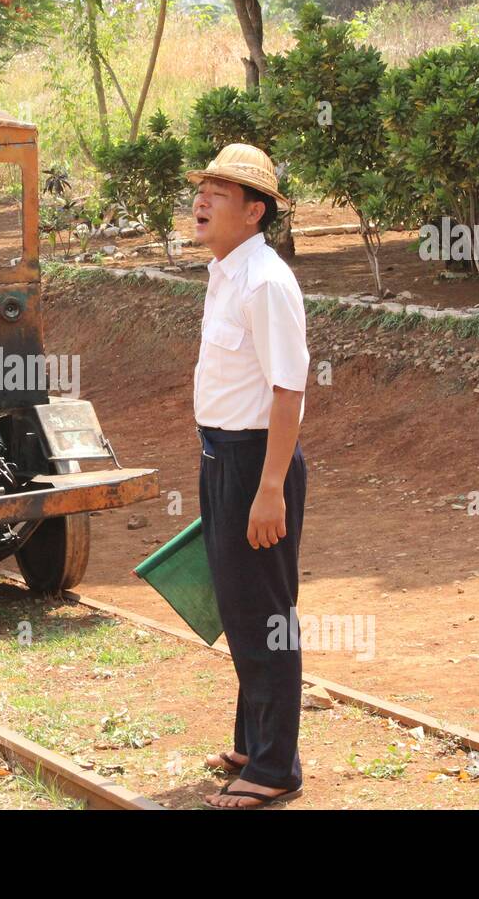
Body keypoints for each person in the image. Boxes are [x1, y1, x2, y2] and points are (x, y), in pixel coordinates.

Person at [187, 144, 309, 809]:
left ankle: (275, 767)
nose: (200, 203)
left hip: (257, 462)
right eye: (201, 190)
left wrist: (268, 489)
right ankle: (251, 743)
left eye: (218, 194)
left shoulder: (265, 282)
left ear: (254, 211)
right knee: (240, 607)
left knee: (267, 614)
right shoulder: (226, 271)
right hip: (221, 456)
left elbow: (288, 390)